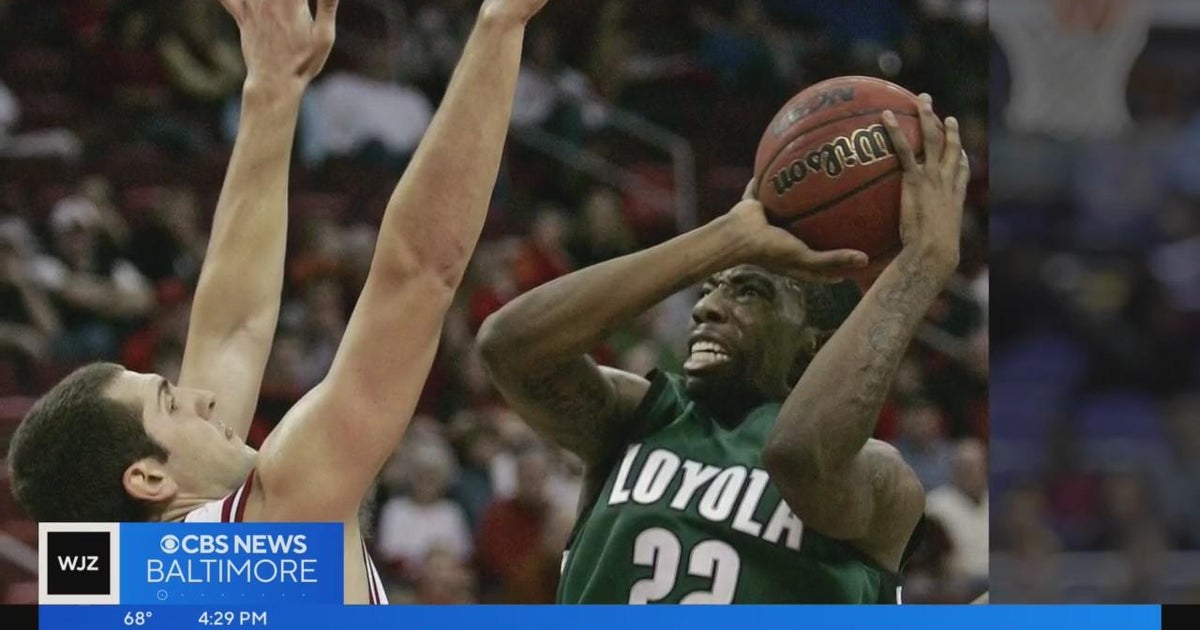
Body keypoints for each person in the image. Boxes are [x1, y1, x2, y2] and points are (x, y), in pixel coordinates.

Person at [7, 0, 551, 605]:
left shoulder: (115, 581)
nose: (201, 394)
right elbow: (420, 275)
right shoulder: (280, 516)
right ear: (147, 477)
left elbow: (232, 330)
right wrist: (501, 25)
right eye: (170, 400)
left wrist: (272, 89)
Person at [479, 94, 970, 603]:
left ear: (815, 346)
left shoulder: (881, 479)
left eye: (748, 291)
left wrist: (922, 264)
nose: (705, 307)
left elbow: (799, 456)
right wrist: (724, 239)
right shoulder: (640, 418)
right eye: (709, 286)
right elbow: (509, 347)